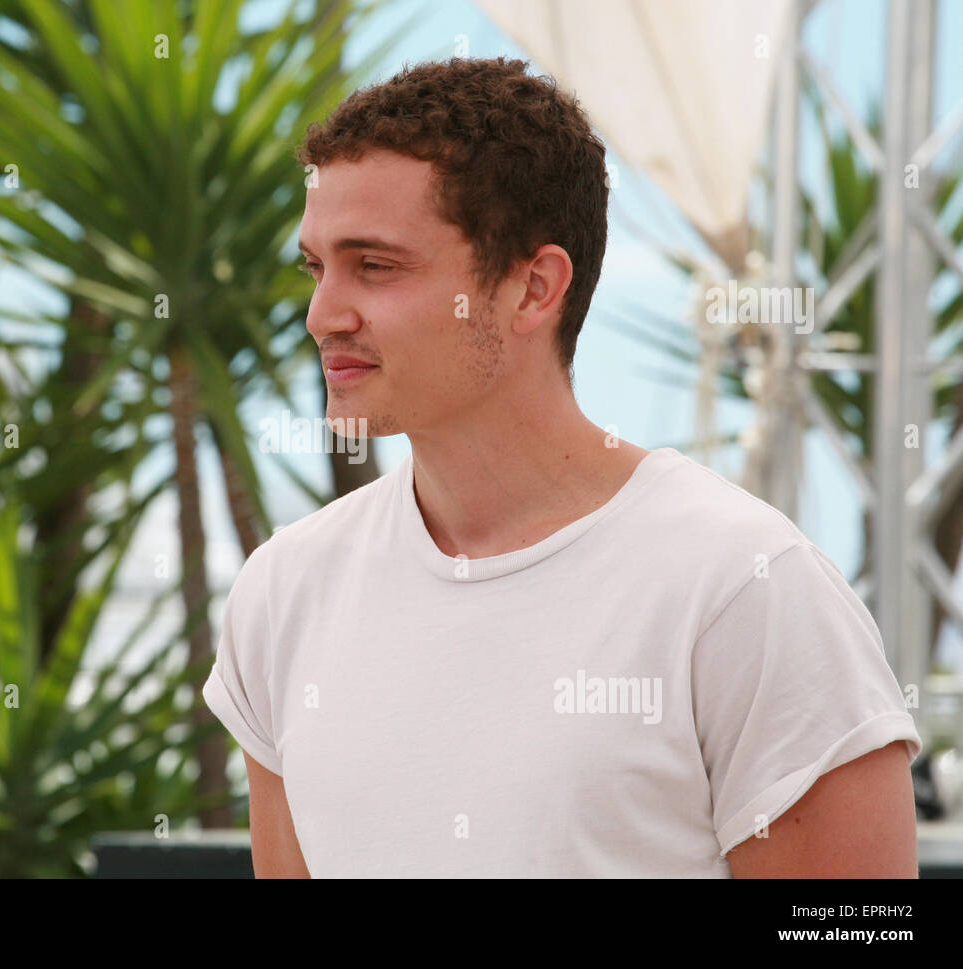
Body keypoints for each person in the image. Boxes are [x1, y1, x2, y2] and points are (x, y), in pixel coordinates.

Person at [202, 56, 921, 877]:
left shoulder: (745, 588)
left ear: (534, 288)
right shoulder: (283, 592)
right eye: (316, 266)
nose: (323, 313)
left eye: (375, 265)